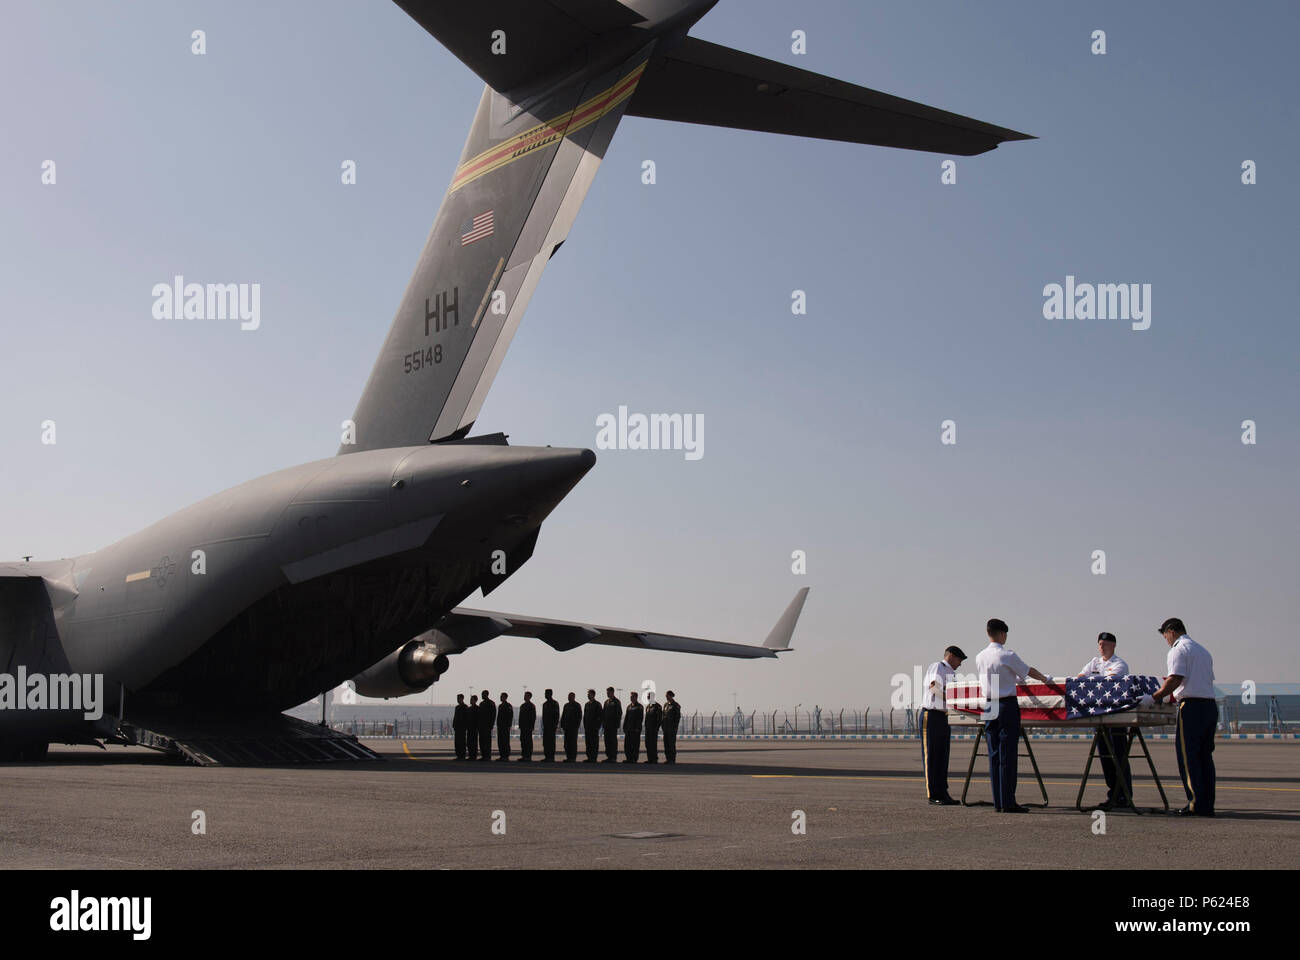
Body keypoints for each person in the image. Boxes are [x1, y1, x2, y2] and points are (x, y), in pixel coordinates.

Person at [975, 619, 1050, 813]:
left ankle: (998, 801)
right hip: (1006, 705)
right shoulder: (1007, 655)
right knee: (1007, 754)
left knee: (994, 754)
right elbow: (1028, 671)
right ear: (1002, 634)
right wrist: (1045, 679)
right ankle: (1008, 801)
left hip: (989, 705)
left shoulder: (980, 657)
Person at [1152, 617, 1216, 817]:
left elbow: (1175, 679)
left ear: (1171, 631)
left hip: (1191, 707)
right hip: (1209, 706)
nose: (1166, 640)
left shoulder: (1178, 650)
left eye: (1165, 636)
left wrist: (1156, 696)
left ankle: (1195, 803)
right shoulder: (1202, 650)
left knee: (1189, 758)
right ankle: (1206, 804)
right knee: (1205, 758)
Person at [1077, 631, 1133, 809]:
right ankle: (1113, 794)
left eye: (1105, 643)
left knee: (1119, 756)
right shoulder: (1094, 662)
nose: (1102, 646)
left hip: (1116, 716)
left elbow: (1110, 682)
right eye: (1100, 644)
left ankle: (1124, 795)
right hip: (1099, 716)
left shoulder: (1119, 664)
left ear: (1113, 645)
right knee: (1105, 757)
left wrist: (1092, 680)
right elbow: (1080, 678)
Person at [921, 645, 966, 805]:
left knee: (942, 756)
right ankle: (933, 794)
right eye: (959, 659)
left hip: (944, 716)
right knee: (932, 756)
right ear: (951, 656)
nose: (960, 663)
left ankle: (943, 792)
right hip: (932, 715)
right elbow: (934, 687)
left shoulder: (951, 673)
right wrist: (951, 700)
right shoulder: (938, 666)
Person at [561, 691, 582, 762]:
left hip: (573, 728)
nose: (569, 698)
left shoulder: (577, 705)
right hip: (566, 727)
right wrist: (562, 725)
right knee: (566, 744)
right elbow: (563, 715)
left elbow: (579, 716)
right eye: (568, 696)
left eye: (571, 696)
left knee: (572, 743)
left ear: (574, 697)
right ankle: (568, 757)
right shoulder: (566, 705)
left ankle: (572, 757)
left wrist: (576, 726)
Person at [602, 687, 622, 762]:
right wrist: (603, 723)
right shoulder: (606, 702)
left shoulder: (616, 702)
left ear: (612, 692)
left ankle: (613, 757)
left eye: (608, 692)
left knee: (612, 741)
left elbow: (619, 713)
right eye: (607, 692)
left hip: (613, 725)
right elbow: (603, 713)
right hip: (606, 725)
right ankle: (609, 756)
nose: (607, 694)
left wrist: (617, 724)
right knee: (607, 741)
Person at [582, 689, 603, 762]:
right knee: (588, 743)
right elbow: (585, 716)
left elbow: (600, 717)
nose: (588, 695)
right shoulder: (587, 704)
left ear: (593, 695)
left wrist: (597, 727)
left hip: (594, 728)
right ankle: (589, 757)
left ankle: (593, 758)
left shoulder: (597, 704)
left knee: (594, 743)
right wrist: (585, 726)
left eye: (589, 694)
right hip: (587, 728)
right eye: (587, 694)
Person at [623, 691, 643, 762]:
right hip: (628, 729)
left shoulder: (639, 707)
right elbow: (626, 718)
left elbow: (640, 718)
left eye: (632, 697)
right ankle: (628, 758)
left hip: (635, 729)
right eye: (630, 697)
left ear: (636, 697)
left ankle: (634, 758)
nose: (631, 698)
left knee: (635, 744)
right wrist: (624, 727)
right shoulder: (629, 706)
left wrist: (637, 728)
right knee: (627, 745)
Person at [662, 690, 681, 764]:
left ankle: (672, 759)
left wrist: (675, 727)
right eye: (666, 696)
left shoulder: (675, 705)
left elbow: (677, 717)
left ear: (671, 696)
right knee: (666, 744)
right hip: (666, 728)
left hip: (672, 728)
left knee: (671, 744)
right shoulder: (665, 705)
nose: (666, 697)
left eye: (667, 696)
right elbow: (663, 716)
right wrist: (663, 726)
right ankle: (668, 758)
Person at [541, 689, 560, 762]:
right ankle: (547, 756)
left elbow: (557, 715)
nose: (545, 695)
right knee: (546, 742)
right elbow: (543, 716)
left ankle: (551, 757)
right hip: (546, 726)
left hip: (552, 726)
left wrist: (555, 725)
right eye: (545, 693)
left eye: (546, 693)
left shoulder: (554, 703)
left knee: (551, 742)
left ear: (550, 694)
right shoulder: (545, 704)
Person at [643, 692, 662, 764]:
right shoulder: (648, 706)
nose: (648, 698)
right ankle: (650, 758)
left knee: (653, 744)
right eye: (647, 697)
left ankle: (654, 758)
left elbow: (659, 718)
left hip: (653, 729)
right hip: (648, 728)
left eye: (649, 696)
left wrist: (656, 728)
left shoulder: (657, 706)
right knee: (647, 744)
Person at [518, 691, 536, 761]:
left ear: (529, 697)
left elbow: (533, 717)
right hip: (523, 727)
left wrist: (532, 726)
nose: (525, 697)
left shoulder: (531, 706)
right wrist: (520, 725)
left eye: (526, 696)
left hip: (528, 727)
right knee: (523, 741)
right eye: (524, 695)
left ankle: (528, 756)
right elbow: (520, 716)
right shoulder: (522, 706)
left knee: (528, 742)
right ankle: (524, 755)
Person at [477, 690, 496, 761]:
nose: (482, 696)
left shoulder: (491, 703)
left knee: (487, 741)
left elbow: (493, 715)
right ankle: (483, 755)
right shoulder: (481, 704)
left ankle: (487, 756)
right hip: (481, 726)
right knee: (481, 741)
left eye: (483, 694)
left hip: (487, 726)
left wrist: (491, 724)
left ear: (487, 695)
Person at [496, 691, 513, 760]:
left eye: (502, 696)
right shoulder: (500, 706)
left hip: (505, 727)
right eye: (500, 696)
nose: (501, 697)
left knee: (505, 741)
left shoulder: (508, 706)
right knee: (500, 742)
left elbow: (510, 716)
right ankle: (502, 755)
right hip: (500, 727)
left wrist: (509, 725)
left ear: (505, 697)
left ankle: (506, 756)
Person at [452, 693, 469, 760]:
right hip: (457, 727)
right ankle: (458, 755)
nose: (458, 700)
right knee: (457, 742)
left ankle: (462, 755)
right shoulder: (457, 707)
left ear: (462, 699)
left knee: (462, 742)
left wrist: (465, 726)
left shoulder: (465, 707)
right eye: (457, 699)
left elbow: (466, 717)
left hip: (462, 727)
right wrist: (454, 725)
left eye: (459, 698)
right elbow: (455, 717)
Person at [466, 694, 480, 760]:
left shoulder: (477, 708)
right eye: (470, 699)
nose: (471, 700)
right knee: (469, 742)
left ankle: (474, 755)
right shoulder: (469, 708)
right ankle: (470, 755)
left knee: (473, 742)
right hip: (469, 727)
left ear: (475, 700)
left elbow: (478, 718)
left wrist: (477, 726)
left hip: (474, 728)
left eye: (472, 699)